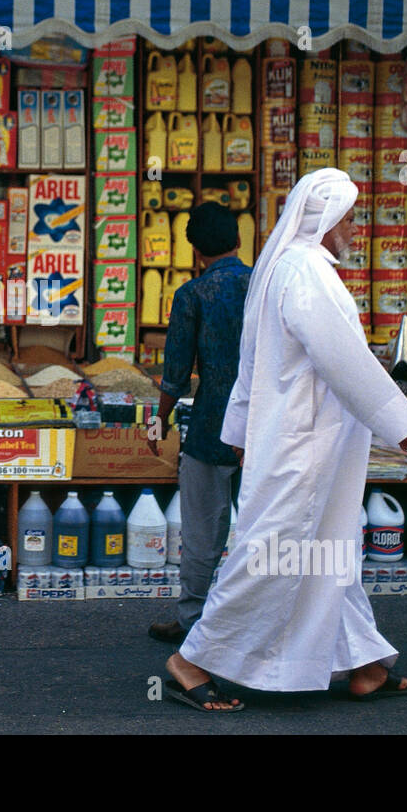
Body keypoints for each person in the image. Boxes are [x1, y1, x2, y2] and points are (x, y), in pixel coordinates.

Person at [163, 169, 407, 713]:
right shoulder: (307, 272)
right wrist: (401, 420)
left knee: (330, 554)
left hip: (304, 440)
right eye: (350, 219)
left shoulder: (282, 268)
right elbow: (343, 359)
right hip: (305, 445)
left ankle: (363, 665)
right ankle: (192, 661)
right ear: (326, 222)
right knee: (273, 554)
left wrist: (238, 429)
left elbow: (249, 362)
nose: (355, 229)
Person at [147, 202, 251, 645]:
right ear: (239, 240)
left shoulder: (192, 294)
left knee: (202, 531)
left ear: (195, 251)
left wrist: (160, 417)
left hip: (211, 426)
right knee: (261, 529)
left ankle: (192, 618)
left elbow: (176, 370)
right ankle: (250, 620)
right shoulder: (263, 284)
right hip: (262, 428)